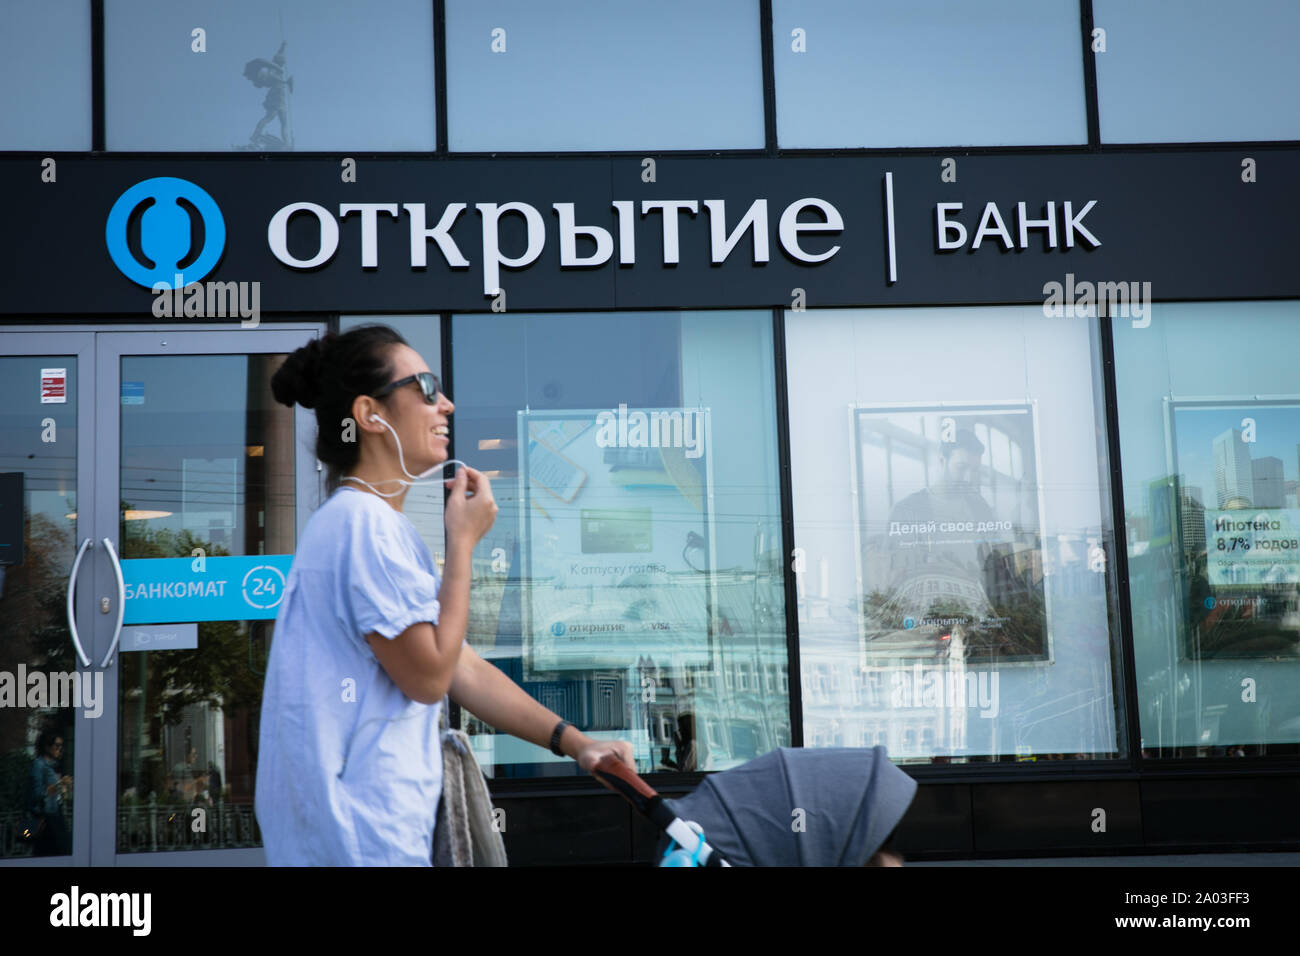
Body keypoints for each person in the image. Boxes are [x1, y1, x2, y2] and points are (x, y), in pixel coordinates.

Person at [254, 325, 635, 865]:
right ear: (370, 415)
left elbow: (462, 667)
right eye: (426, 387)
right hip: (362, 844)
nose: (446, 404)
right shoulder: (363, 526)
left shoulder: (365, 524)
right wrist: (463, 543)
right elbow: (431, 676)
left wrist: (575, 743)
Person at [29, 728, 72, 856]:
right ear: (47, 747)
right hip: (46, 818)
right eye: (57, 745)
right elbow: (37, 792)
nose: (60, 749)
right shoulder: (39, 765)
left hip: (54, 815)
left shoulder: (53, 766)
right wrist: (59, 784)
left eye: (61, 746)